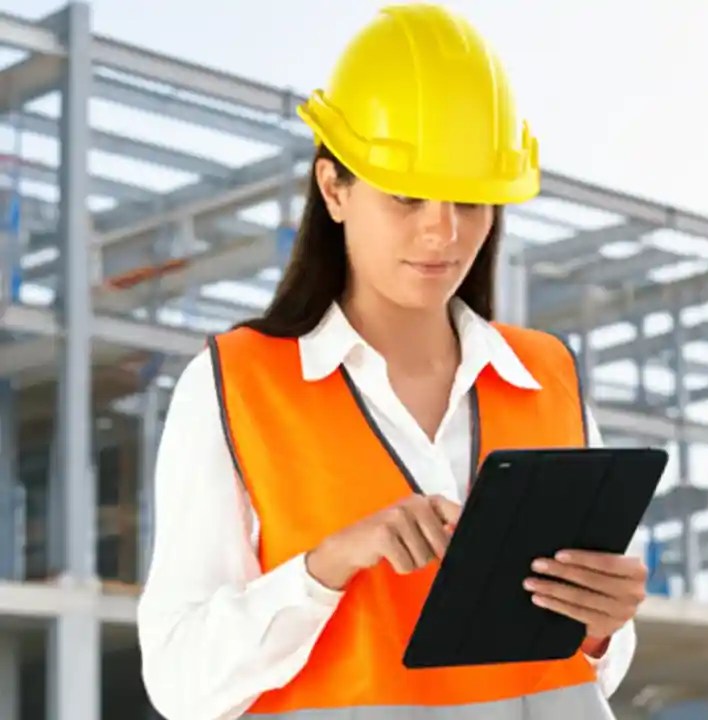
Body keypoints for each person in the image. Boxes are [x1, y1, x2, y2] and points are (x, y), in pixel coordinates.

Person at [136, 5, 646, 719]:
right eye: (407, 196)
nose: (443, 230)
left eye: (471, 199)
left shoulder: (548, 378)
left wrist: (602, 625)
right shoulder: (238, 385)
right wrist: (326, 567)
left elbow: (593, 672)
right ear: (333, 188)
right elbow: (180, 684)